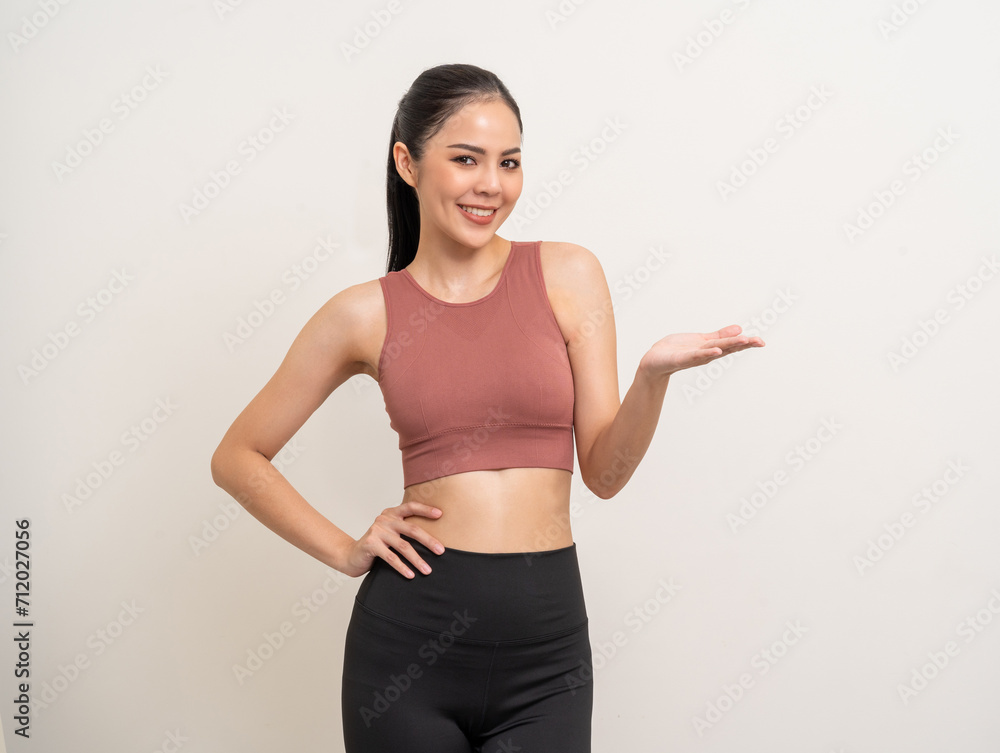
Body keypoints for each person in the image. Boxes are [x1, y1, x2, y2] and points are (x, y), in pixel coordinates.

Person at [210, 62, 764, 753]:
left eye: (508, 162)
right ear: (408, 164)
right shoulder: (363, 314)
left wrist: (652, 376)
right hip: (407, 652)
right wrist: (347, 550)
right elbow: (237, 456)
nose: (491, 185)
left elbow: (606, 473)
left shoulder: (568, 275)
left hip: (547, 659)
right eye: (466, 159)